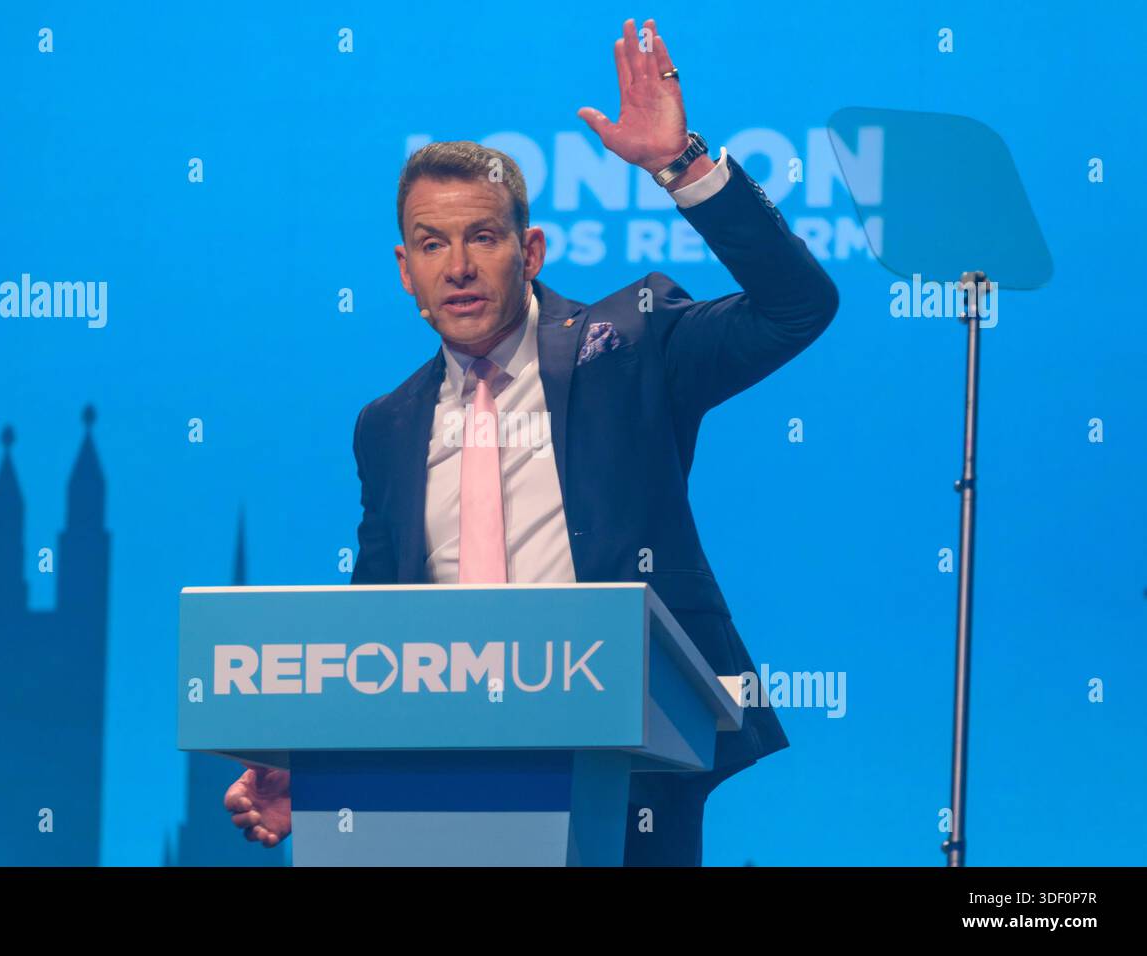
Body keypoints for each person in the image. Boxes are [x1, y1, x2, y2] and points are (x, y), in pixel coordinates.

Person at [226, 16, 838, 865]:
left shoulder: (630, 345)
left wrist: (681, 165)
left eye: (482, 236)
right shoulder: (387, 425)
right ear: (405, 271)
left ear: (532, 250)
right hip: (437, 791)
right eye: (433, 245)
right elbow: (377, 626)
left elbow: (797, 304)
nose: (459, 267)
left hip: (624, 776)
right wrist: (318, 766)